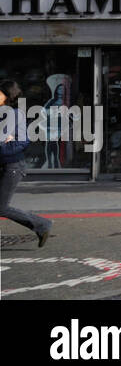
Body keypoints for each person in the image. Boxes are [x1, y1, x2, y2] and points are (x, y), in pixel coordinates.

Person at [0, 79, 52, 247]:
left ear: (8, 96)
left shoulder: (15, 114)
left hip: (12, 166)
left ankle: (41, 224)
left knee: (1, 207)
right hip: (4, 164)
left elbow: (22, 142)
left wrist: (2, 146)